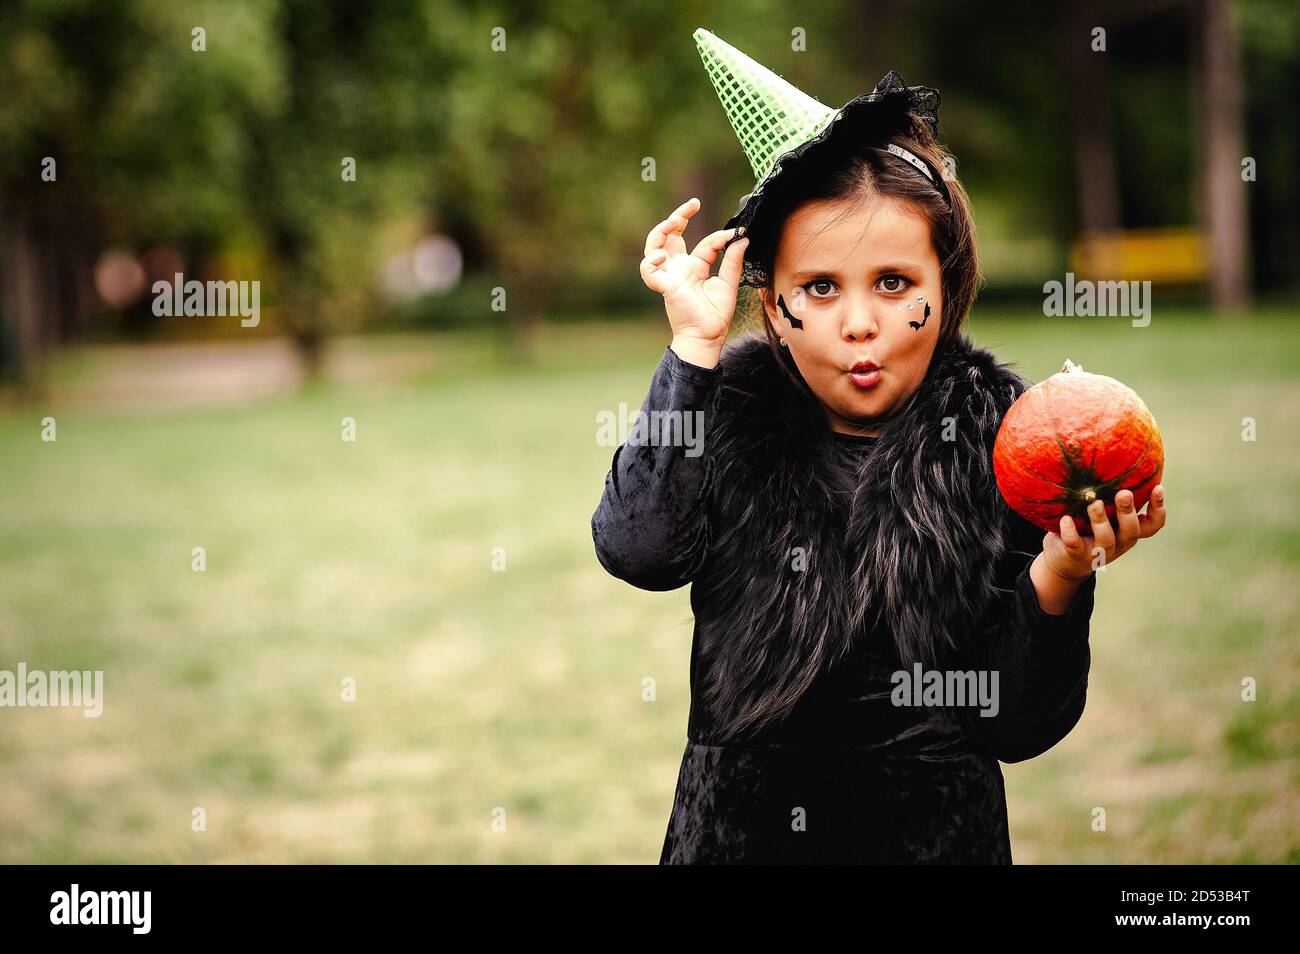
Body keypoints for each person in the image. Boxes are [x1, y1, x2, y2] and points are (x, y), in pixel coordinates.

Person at [591, 29, 1168, 864]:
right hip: (740, 838)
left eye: (894, 284)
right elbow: (637, 547)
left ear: (949, 285)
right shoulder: (726, 413)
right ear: (774, 304)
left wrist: (1062, 572)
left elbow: (1018, 722)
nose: (858, 322)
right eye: (820, 288)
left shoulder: (1008, 441)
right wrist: (692, 351)